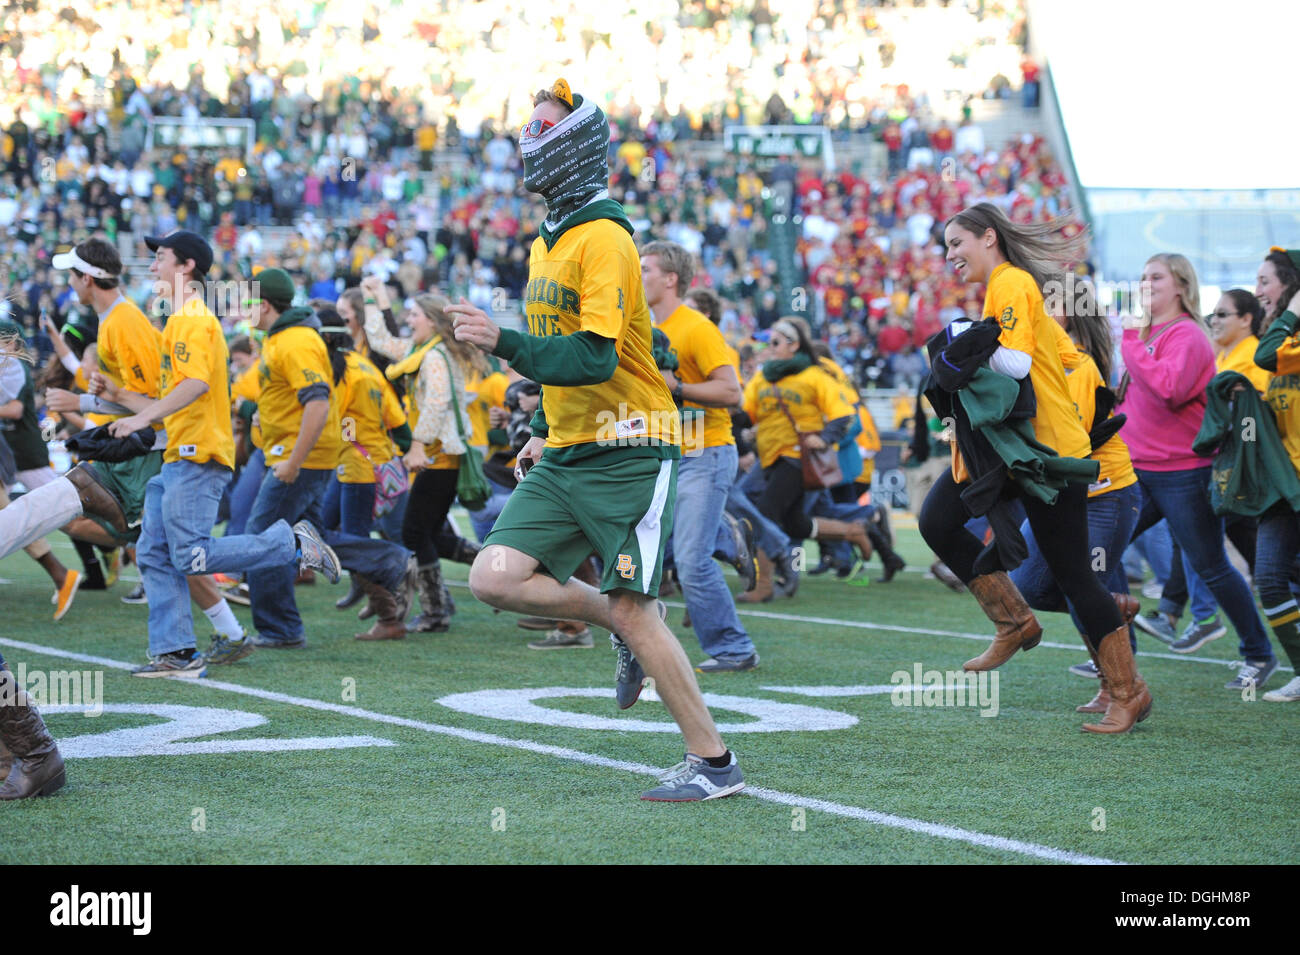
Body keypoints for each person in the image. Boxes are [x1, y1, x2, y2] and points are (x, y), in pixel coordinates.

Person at [449, 79, 743, 801]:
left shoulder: (608, 238)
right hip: (573, 445)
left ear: (576, 143)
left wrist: (505, 342)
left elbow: (595, 356)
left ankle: (715, 763)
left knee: (636, 606)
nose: (528, 136)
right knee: (493, 576)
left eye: (543, 125)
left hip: (630, 450)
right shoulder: (550, 241)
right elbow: (565, 351)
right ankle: (616, 618)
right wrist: (547, 428)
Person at [924, 202, 1147, 733]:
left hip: (1048, 455)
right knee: (937, 520)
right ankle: (1014, 620)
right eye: (946, 246)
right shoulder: (1005, 288)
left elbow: (1015, 363)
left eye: (957, 242)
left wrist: (962, 342)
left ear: (988, 239)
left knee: (1073, 576)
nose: (950, 254)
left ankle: (1128, 692)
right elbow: (1034, 361)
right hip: (1015, 449)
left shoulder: (1010, 280)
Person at [101, 233, 341, 675]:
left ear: (186, 266)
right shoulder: (179, 320)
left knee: (190, 555)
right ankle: (177, 653)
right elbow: (171, 400)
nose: (152, 268)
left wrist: (137, 419)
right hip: (178, 454)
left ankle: (292, 543)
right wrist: (117, 399)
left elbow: (196, 386)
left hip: (198, 455)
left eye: (160, 259)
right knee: (154, 554)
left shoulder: (192, 317)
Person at [1117, 253, 1277, 691]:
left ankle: (1259, 654)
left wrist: (1131, 342)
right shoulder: (1152, 334)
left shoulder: (1186, 334)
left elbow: (1170, 390)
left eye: (1156, 277)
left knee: (1211, 565)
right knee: (1102, 550)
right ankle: (1114, 657)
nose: (1145, 283)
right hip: (1141, 469)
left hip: (1183, 471)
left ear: (1181, 286)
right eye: (1143, 275)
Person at [1009, 280, 1143, 713]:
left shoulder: (1076, 364)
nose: (1040, 314)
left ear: (1072, 314)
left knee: (1080, 588)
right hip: (1061, 493)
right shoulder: (1030, 360)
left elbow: (1069, 439)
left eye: (1052, 306)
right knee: (1026, 587)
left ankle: (1117, 688)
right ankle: (1113, 610)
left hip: (1105, 493)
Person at [641, 240, 759, 671]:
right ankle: (727, 539)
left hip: (705, 452)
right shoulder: (647, 325)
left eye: (646, 269)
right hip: (667, 453)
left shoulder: (696, 327)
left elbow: (732, 392)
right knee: (649, 553)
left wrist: (678, 387)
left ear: (671, 279)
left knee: (690, 562)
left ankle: (734, 648)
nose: (639, 276)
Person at [359, 276, 488, 633]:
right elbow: (381, 341)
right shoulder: (423, 350)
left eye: (414, 314)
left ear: (431, 321)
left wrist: (416, 445)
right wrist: (375, 298)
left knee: (415, 532)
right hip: (437, 454)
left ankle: (436, 611)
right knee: (436, 536)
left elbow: (436, 403)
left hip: (439, 455)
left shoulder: (434, 356)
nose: (408, 320)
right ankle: (496, 567)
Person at [741, 316, 876, 571]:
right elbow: (746, 412)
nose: (768, 348)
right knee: (794, 522)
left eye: (774, 342)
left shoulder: (816, 372)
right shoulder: (764, 376)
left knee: (765, 512)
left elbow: (845, 412)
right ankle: (852, 531)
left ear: (794, 344)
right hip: (769, 454)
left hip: (798, 456)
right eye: (767, 344)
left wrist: (824, 438)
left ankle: (764, 581)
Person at [317, 305, 415, 638]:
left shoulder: (341, 372)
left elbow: (325, 420)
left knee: (354, 541)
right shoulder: (365, 366)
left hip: (357, 467)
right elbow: (398, 423)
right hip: (366, 463)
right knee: (324, 529)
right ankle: (379, 593)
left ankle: (390, 613)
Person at [0, 321, 81, 617]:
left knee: (70, 511)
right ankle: (61, 573)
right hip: (10, 450)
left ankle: (121, 543)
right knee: (14, 517)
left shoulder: (13, 367)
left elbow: (15, 410)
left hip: (23, 450)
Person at [1251, 247, 1300, 701]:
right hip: (1284, 485)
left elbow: (1267, 356)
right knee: (1269, 576)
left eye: (1266, 281)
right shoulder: (1280, 336)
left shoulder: (1284, 338)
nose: (1258, 291)